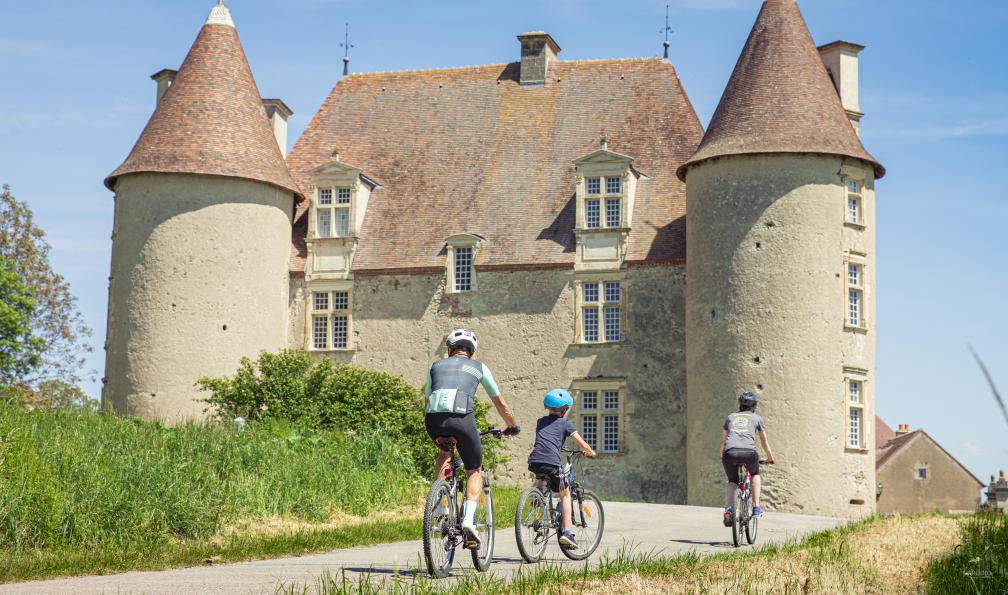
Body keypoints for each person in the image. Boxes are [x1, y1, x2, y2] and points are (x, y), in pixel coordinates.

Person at [423, 328, 519, 547]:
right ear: (471, 352)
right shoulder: (479, 367)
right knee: (474, 469)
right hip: (462, 418)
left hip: (434, 419)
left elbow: (427, 400)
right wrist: (512, 425)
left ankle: (440, 503)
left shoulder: (434, 366)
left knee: (444, 453)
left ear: (449, 349)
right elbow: (500, 403)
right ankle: (467, 520)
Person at [527, 388, 596, 549]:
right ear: (565, 409)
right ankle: (568, 534)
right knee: (565, 495)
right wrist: (589, 451)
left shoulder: (540, 421)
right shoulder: (565, 423)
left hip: (535, 461)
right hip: (552, 462)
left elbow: (548, 437)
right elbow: (581, 442)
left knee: (541, 483)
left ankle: (537, 511)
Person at [721, 391, 774, 526]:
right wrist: (769, 457)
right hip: (749, 453)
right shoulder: (757, 418)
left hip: (729, 452)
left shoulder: (730, 417)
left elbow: (723, 441)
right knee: (755, 474)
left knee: (732, 481)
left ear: (739, 404)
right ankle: (756, 507)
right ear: (754, 406)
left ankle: (728, 510)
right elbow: (764, 442)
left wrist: (722, 456)